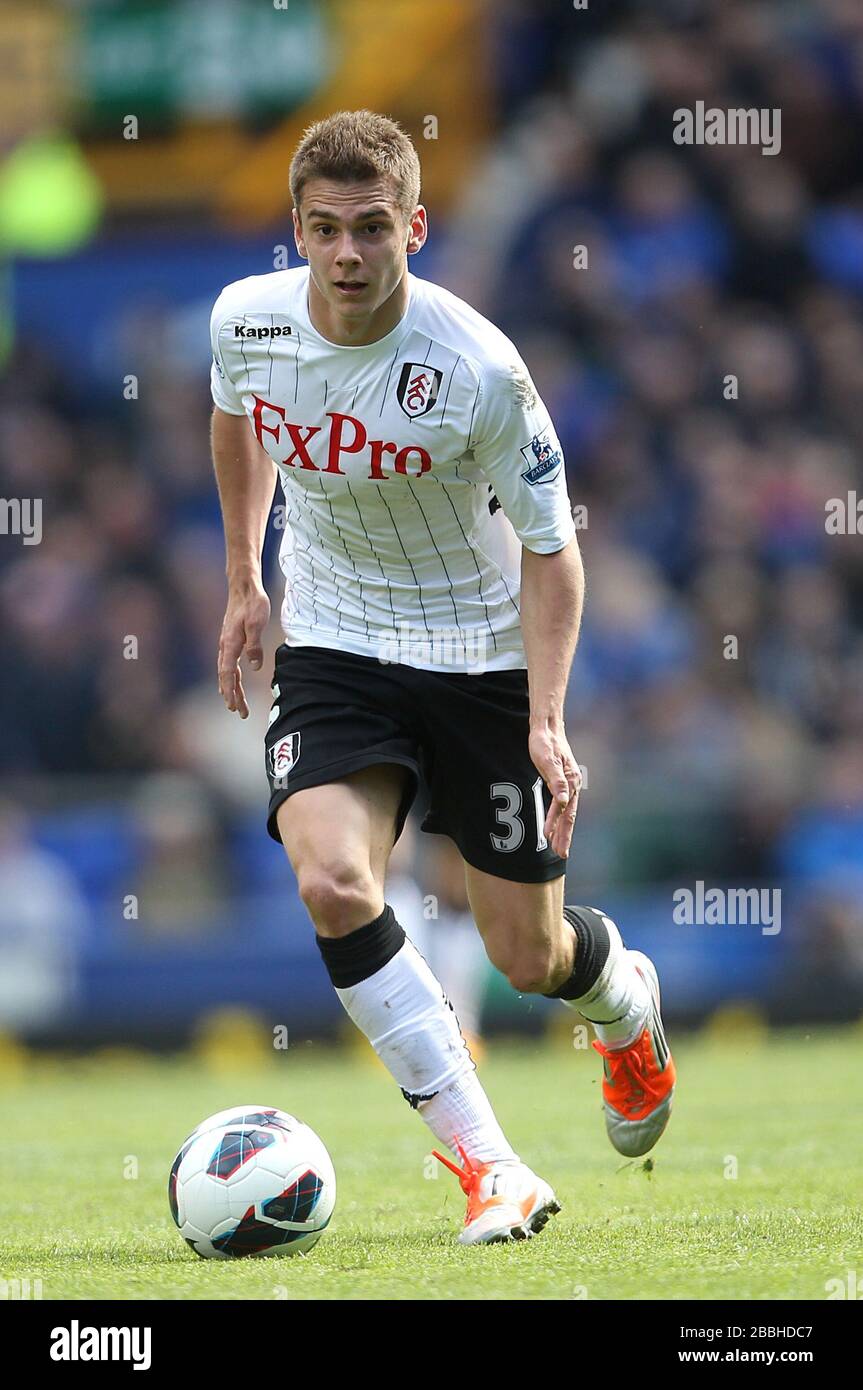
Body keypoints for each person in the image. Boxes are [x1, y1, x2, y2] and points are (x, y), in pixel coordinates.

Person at [209, 109, 675, 1245]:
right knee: (331, 880)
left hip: (478, 658)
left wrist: (549, 718)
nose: (348, 255)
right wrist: (243, 581)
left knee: (527, 957)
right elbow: (236, 422)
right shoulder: (245, 322)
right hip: (331, 643)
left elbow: (555, 555)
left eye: (372, 228)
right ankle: (491, 1168)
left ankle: (622, 1001)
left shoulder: (478, 369)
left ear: (414, 226)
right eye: (324, 230)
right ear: (298, 231)